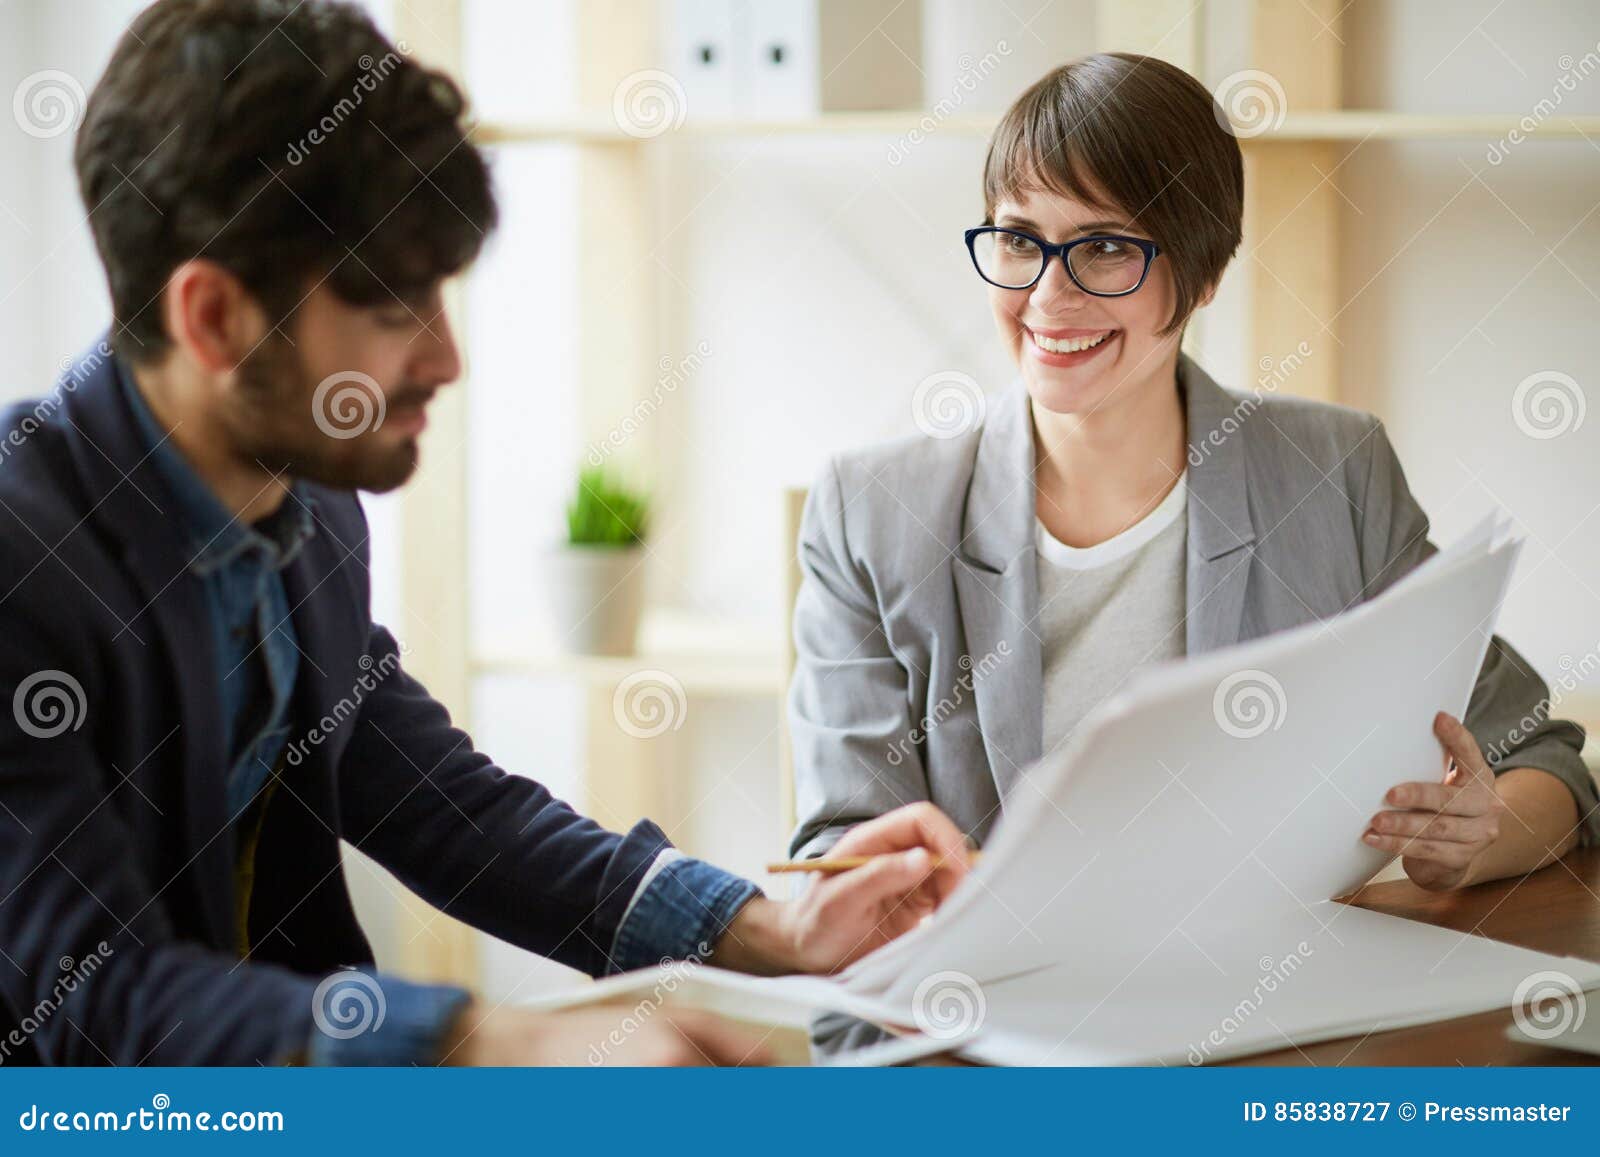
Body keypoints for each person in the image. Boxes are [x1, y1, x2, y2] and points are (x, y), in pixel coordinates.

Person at [0, 0, 973, 1067]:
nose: (447, 357)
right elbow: (89, 995)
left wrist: (763, 930)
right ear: (214, 317)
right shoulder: (21, 550)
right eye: (392, 306)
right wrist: (493, 1042)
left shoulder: (306, 506)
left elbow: (437, 803)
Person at [789, 52, 1598, 893]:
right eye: (1020, 240)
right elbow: (836, 853)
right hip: (989, 1006)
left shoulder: (1332, 477)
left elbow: (1543, 758)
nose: (1047, 298)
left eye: (1103, 248)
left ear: (1204, 272)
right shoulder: (872, 513)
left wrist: (1479, 832)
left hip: (1268, 1002)